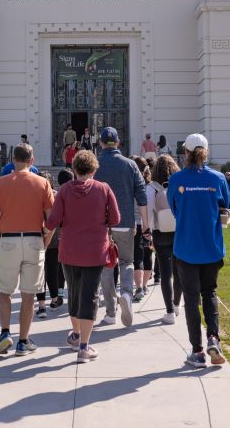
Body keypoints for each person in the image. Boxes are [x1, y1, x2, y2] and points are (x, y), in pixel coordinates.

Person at [46, 150, 120, 363]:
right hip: (95, 250)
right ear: (94, 169)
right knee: (90, 296)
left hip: (69, 250)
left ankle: (77, 335)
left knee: (74, 293)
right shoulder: (103, 189)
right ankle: (84, 346)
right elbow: (115, 218)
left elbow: (53, 221)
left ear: (74, 169)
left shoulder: (65, 191)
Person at [167, 133, 230, 367]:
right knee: (210, 293)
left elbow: (174, 208)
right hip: (212, 248)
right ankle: (213, 338)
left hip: (186, 248)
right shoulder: (218, 178)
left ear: (186, 153)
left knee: (191, 300)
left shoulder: (176, 180)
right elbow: (225, 207)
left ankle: (197, 350)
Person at [0, 143, 55, 356]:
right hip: (34, 239)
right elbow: (51, 219)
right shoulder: (43, 183)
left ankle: (5, 333)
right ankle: (23, 341)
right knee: (28, 294)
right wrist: (46, 240)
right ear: (31, 160)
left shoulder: (0, 183)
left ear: (12, 160)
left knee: (4, 291)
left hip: (9, 239)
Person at [94, 127, 147, 328]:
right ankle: (126, 292)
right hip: (125, 222)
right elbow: (141, 197)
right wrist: (146, 227)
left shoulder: (95, 165)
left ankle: (110, 312)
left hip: (101, 226)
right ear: (117, 143)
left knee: (106, 267)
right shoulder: (130, 165)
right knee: (127, 262)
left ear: (100, 143)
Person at [147, 154, 181, 324]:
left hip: (160, 232)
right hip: (178, 231)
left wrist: (151, 230)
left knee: (165, 274)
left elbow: (149, 213)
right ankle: (176, 305)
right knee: (179, 271)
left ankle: (169, 312)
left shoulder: (151, 188)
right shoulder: (178, 184)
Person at [36, 170, 72, 318]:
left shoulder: (36, 196)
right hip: (56, 238)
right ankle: (56, 298)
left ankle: (42, 305)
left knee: (40, 274)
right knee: (54, 271)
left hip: (39, 237)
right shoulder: (58, 195)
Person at [131, 156, 154, 302]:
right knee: (147, 256)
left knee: (137, 257)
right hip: (149, 225)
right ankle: (144, 286)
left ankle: (139, 287)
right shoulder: (151, 187)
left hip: (135, 224)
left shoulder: (131, 185)